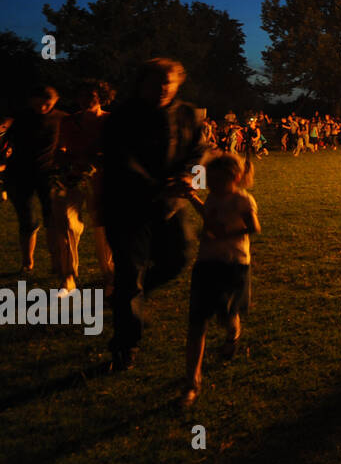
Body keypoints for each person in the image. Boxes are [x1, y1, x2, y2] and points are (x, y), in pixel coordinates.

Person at [101, 58, 207, 372]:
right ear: (142, 83)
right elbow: (122, 159)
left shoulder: (188, 114)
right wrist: (157, 186)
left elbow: (199, 150)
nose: (162, 88)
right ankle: (126, 344)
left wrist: (189, 176)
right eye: (155, 82)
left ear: (178, 84)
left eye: (168, 82)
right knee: (129, 273)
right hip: (128, 207)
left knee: (177, 259)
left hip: (170, 205)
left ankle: (130, 293)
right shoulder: (124, 116)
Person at [182, 153, 259, 406]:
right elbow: (210, 216)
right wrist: (193, 198)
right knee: (197, 322)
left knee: (225, 315)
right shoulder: (214, 196)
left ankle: (232, 332)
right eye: (209, 179)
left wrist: (227, 232)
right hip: (206, 262)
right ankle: (192, 383)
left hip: (233, 264)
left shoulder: (242, 200)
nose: (210, 184)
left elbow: (253, 227)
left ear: (234, 178)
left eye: (215, 179)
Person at [52, 80, 116, 294]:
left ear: (102, 97)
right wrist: (63, 157)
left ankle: (109, 276)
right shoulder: (70, 122)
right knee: (67, 224)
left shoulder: (110, 121)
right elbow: (61, 145)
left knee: (104, 228)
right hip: (73, 177)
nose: (86, 99)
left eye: (91, 95)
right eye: (82, 95)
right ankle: (69, 277)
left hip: (102, 179)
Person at [6, 85, 65, 279]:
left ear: (54, 102)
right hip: (19, 174)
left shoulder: (61, 118)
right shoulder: (19, 118)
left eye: (47, 104)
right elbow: (4, 133)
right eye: (39, 103)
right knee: (27, 219)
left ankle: (56, 261)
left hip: (48, 173)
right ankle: (27, 262)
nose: (42, 108)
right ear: (32, 101)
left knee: (53, 219)